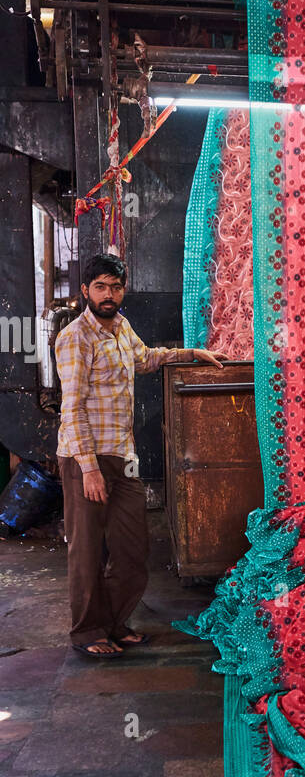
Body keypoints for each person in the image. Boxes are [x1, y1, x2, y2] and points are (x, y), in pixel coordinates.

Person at [55, 253, 228, 658]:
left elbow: (145, 359)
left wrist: (190, 354)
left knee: (132, 550)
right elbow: (72, 408)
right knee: (86, 552)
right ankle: (87, 632)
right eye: (100, 287)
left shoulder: (120, 328)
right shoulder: (75, 338)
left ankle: (114, 623)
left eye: (115, 287)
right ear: (85, 291)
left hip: (123, 457)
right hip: (87, 459)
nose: (109, 294)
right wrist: (89, 470)